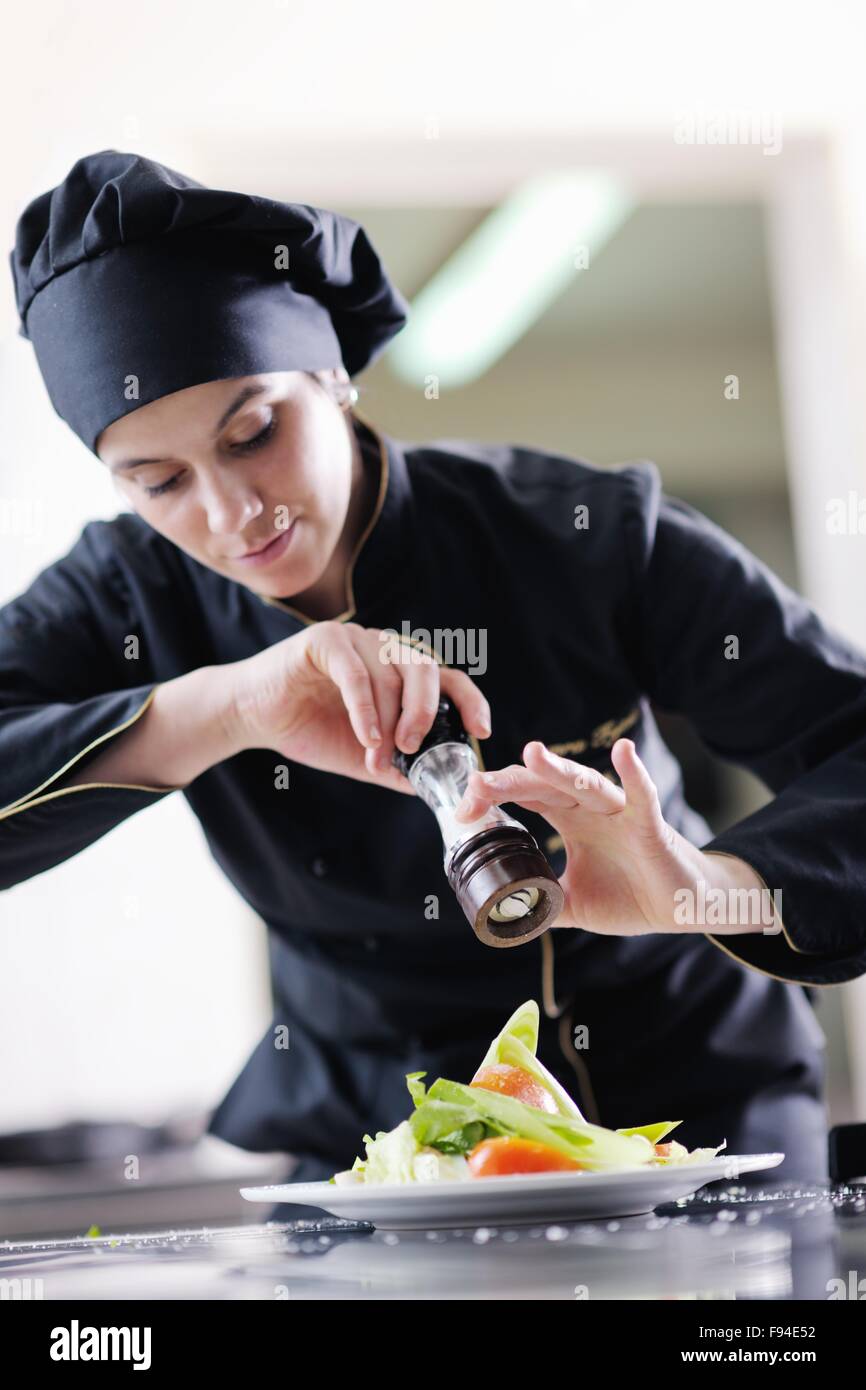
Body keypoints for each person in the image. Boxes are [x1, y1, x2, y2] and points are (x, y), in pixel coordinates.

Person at [4, 152, 866, 1221]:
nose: (232, 514)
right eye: (161, 482)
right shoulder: (126, 600)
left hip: (696, 1105)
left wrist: (703, 884)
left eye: (253, 432)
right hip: (380, 1149)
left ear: (330, 376)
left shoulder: (583, 536)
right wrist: (226, 707)